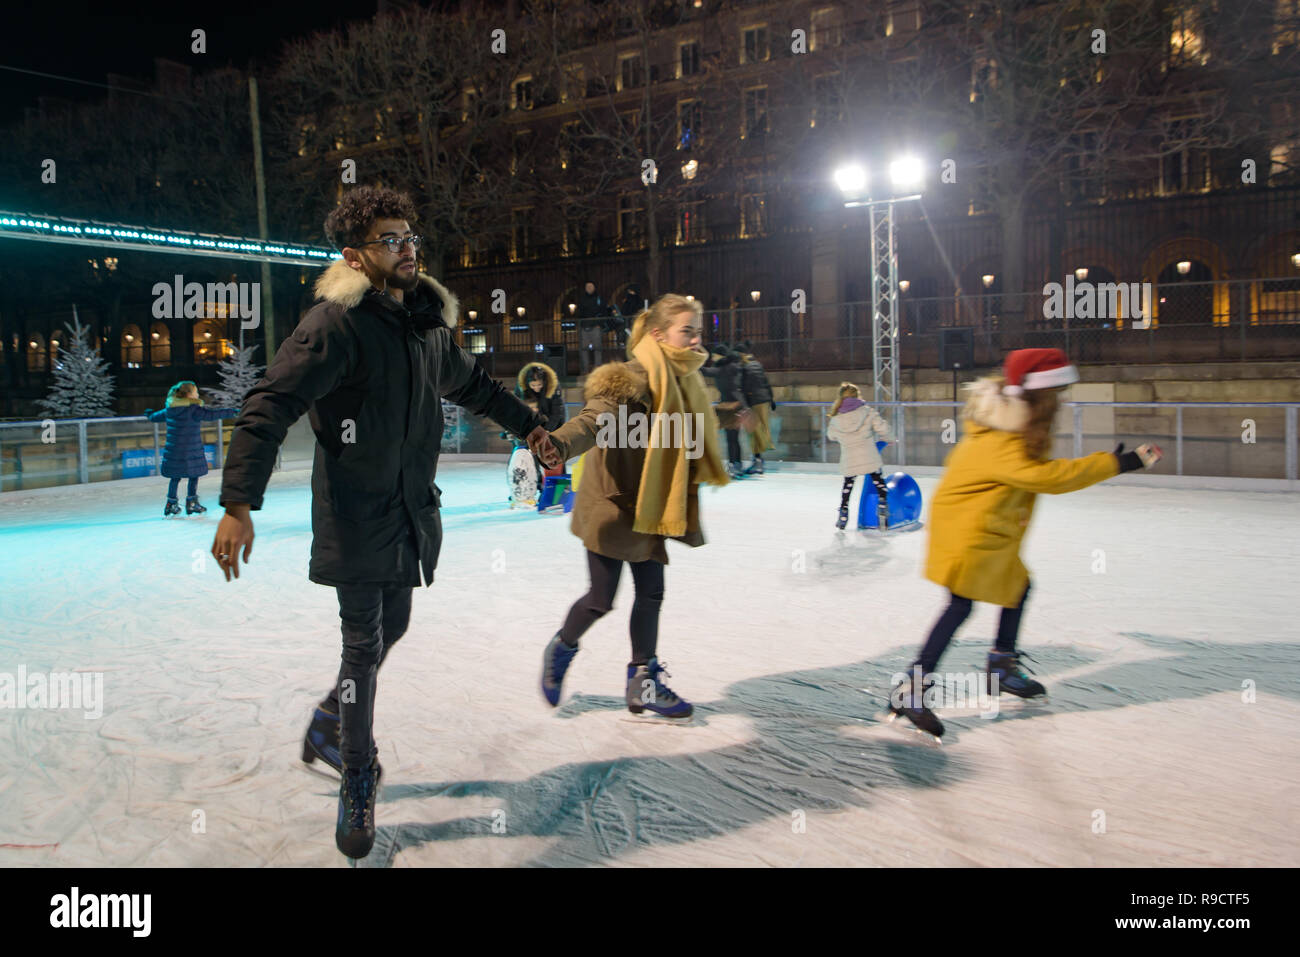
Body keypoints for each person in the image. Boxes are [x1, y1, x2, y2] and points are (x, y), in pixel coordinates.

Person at [211, 185, 559, 859]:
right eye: (391, 240)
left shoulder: (426, 324)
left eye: (411, 238)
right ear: (355, 255)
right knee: (364, 645)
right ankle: (359, 769)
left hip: (409, 511)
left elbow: (476, 385)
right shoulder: (333, 326)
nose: (408, 250)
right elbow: (268, 404)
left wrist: (533, 428)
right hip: (354, 514)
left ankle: (327, 723)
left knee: (393, 624)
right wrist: (237, 503)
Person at [890, 348, 1162, 739]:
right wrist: (1117, 463)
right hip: (969, 534)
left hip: (986, 530)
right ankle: (911, 689)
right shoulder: (1001, 438)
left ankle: (1001, 666)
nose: (1060, 402)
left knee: (1018, 586)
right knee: (960, 605)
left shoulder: (1010, 425)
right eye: (1056, 394)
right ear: (1037, 395)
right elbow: (1046, 478)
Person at [539, 293, 729, 719]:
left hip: (652, 504)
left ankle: (643, 681)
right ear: (658, 334)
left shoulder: (684, 380)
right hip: (611, 504)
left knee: (652, 592)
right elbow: (595, 419)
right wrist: (560, 444)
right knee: (601, 599)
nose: (696, 338)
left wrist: (730, 417)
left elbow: (691, 427)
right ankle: (561, 648)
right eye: (687, 331)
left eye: (698, 330)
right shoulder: (631, 378)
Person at [144, 382, 237, 516]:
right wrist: (232, 412)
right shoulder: (193, 409)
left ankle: (171, 504)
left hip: (174, 450)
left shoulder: (170, 409)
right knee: (193, 475)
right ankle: (192, 502)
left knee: (175, 477)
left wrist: (149, 414)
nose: (198, 395)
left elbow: (155, 417)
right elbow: (212, 414)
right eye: (195, 392)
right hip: (191, 449)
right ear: (188, 394)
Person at [825, 383, 893, 530]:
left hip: (850, 458)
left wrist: (844, 437)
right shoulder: (867, 412)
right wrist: (890, 438)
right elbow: (883, 427)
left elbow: (831, 435)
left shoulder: (837, 418)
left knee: (848, 485)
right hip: (869, 456)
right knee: (878, 482)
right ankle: (882, 506)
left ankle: (843, 511)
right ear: (857, 396)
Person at [700, 342, 749, 478]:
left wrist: (692, 363)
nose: (713, 358)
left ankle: (734, 465)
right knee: (734, 438)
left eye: (714, 356)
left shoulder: (724, 368)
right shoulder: (733, 367)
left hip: (730, 406)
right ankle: (736, 464)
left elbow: (706, 371)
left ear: (720, 356)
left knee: (731, 438)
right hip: (737, 404)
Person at [738, 342, 775, 475]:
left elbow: (745, 387)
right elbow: (766, 383)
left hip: (754, 402)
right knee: (759, 431)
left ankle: (758, 461)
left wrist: (745, 405)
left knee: (754, 432)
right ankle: (758, 460)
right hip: (764, 400)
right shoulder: (757, 364)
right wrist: (771, 399)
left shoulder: (744, 367)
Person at [577, 281, 605, 374]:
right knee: (584, 349)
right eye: (587, 286)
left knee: (597, 348)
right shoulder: (581, 299)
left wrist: (599, 323)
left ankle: (598, 369)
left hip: (595, 326)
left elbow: (603, 310)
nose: (589, 288)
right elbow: (579, 312)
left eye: (591, 286)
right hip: (585, 326)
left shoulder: (599, 298)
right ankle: (585, 369)